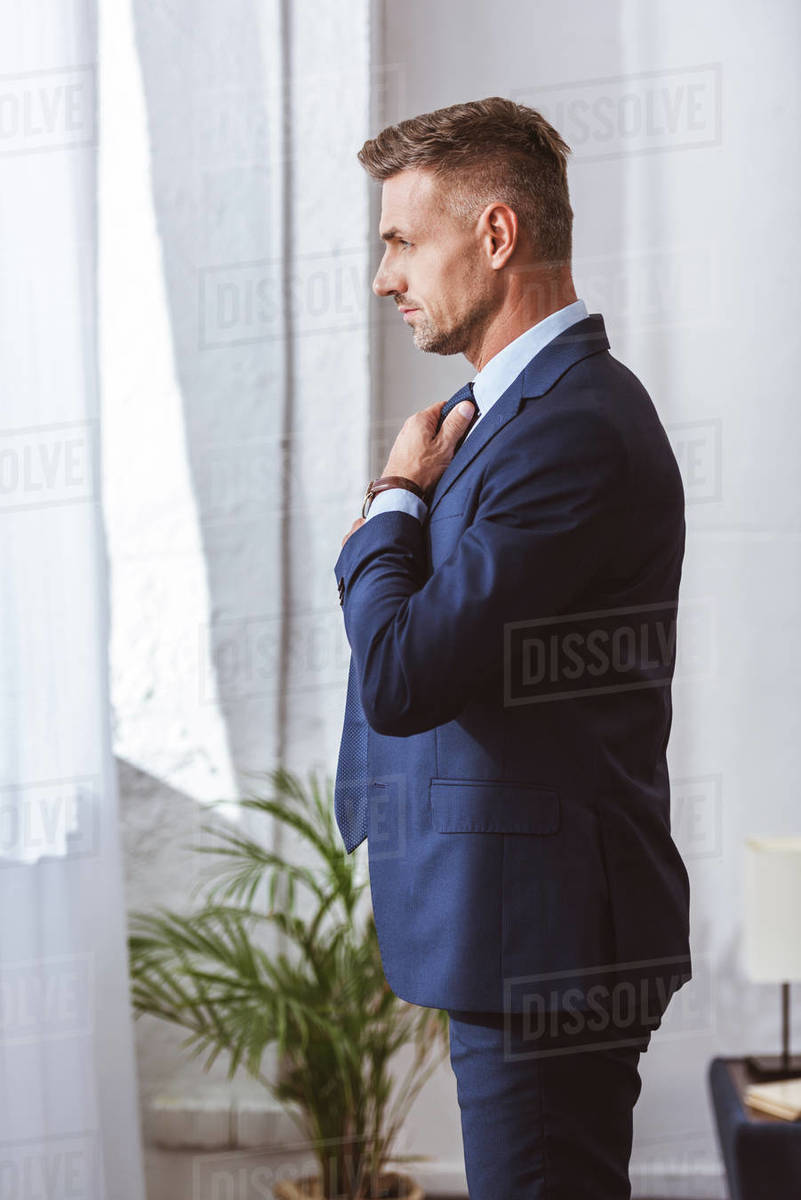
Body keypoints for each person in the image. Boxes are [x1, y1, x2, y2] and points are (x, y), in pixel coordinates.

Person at [333, 96, 691, 1200]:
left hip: (545, 946)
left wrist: (391, 504)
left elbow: (402, 671)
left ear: (496, 235)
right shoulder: (508, 414)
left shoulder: (571, 428)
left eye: (401, 241)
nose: (385, 277)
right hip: (515, 929)